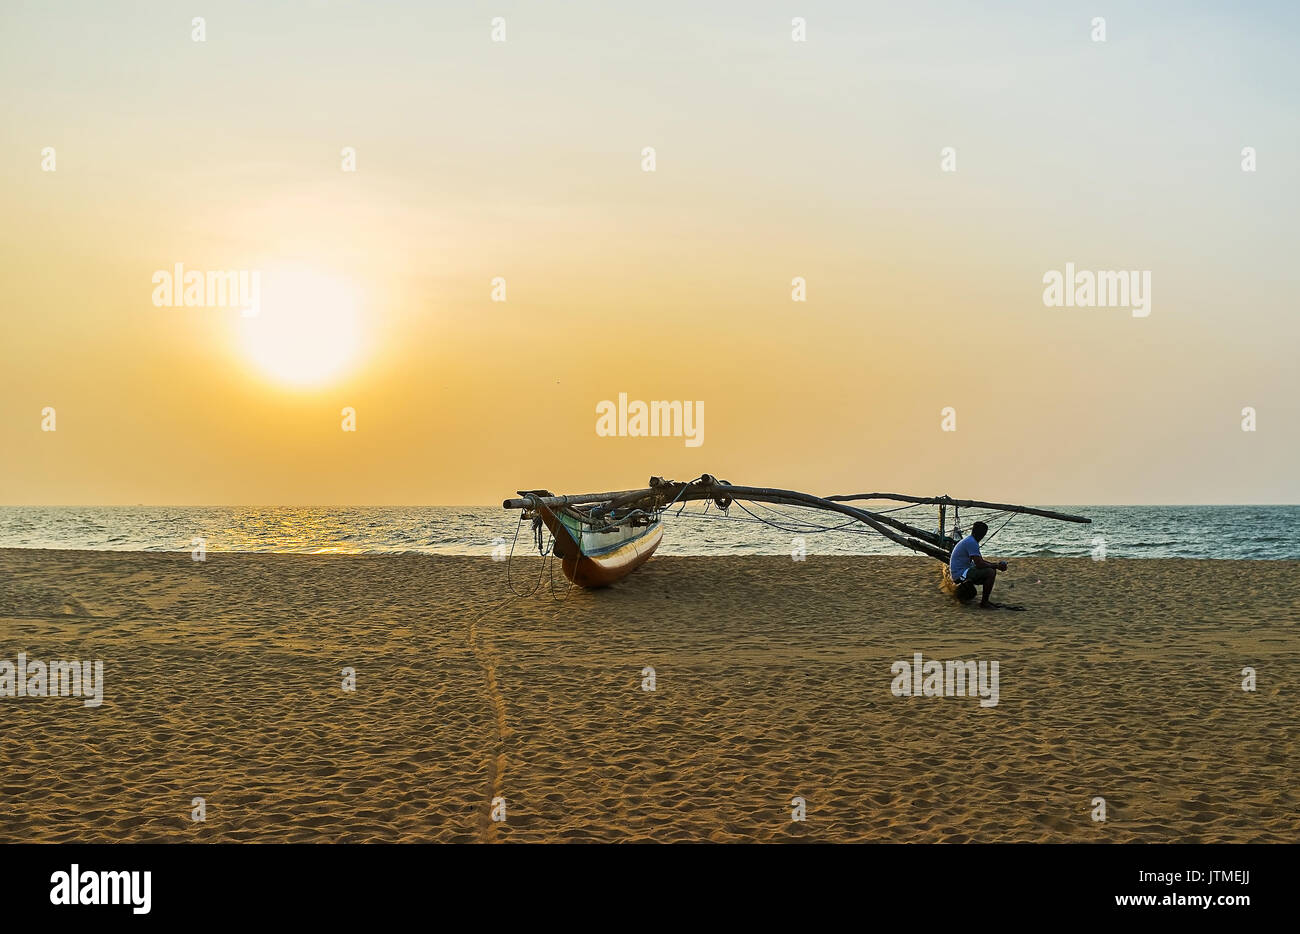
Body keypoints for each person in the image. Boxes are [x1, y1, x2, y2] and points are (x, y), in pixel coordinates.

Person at [948, 521, 1007, 609]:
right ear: (981, 533)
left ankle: (985, 601)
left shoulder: (970, 540)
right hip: (959, 575)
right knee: (990, 572)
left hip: (962, 571)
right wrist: (997, 566)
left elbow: (980, 561)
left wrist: (995, 565)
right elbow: (979, 564)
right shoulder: (971, 542)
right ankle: (984, 603)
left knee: (991, 569)